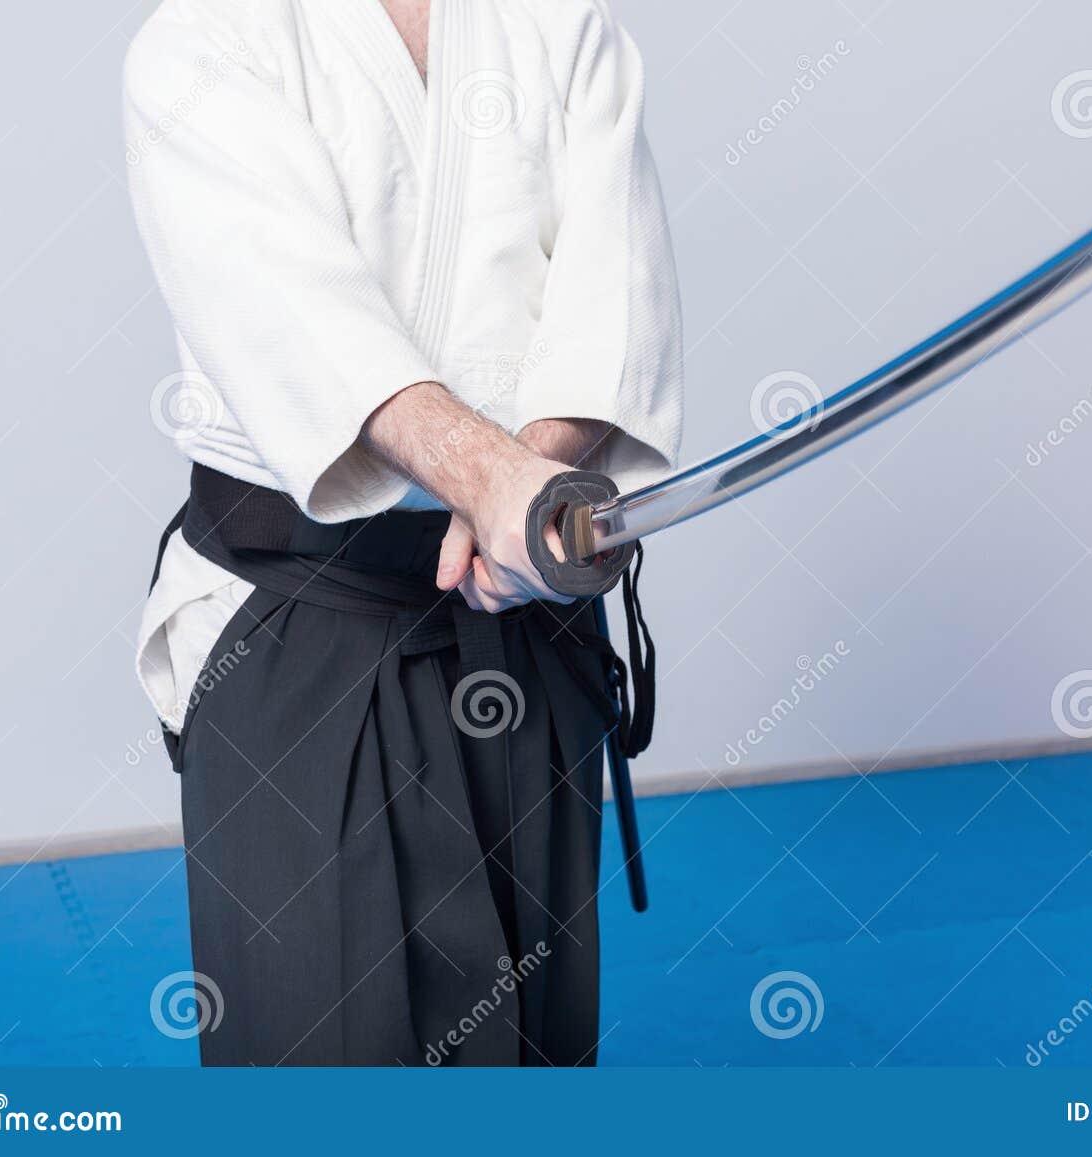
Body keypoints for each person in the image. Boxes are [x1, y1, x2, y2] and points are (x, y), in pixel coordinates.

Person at [122, 0, 682, 1066]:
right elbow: (290, 308)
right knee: (321, 1037)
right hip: (298, 623)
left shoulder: (562, 22)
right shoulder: (200, 38)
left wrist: (527, 481)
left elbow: (612, 291)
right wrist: (494, 475)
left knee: (533, 1036)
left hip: (525, 598)